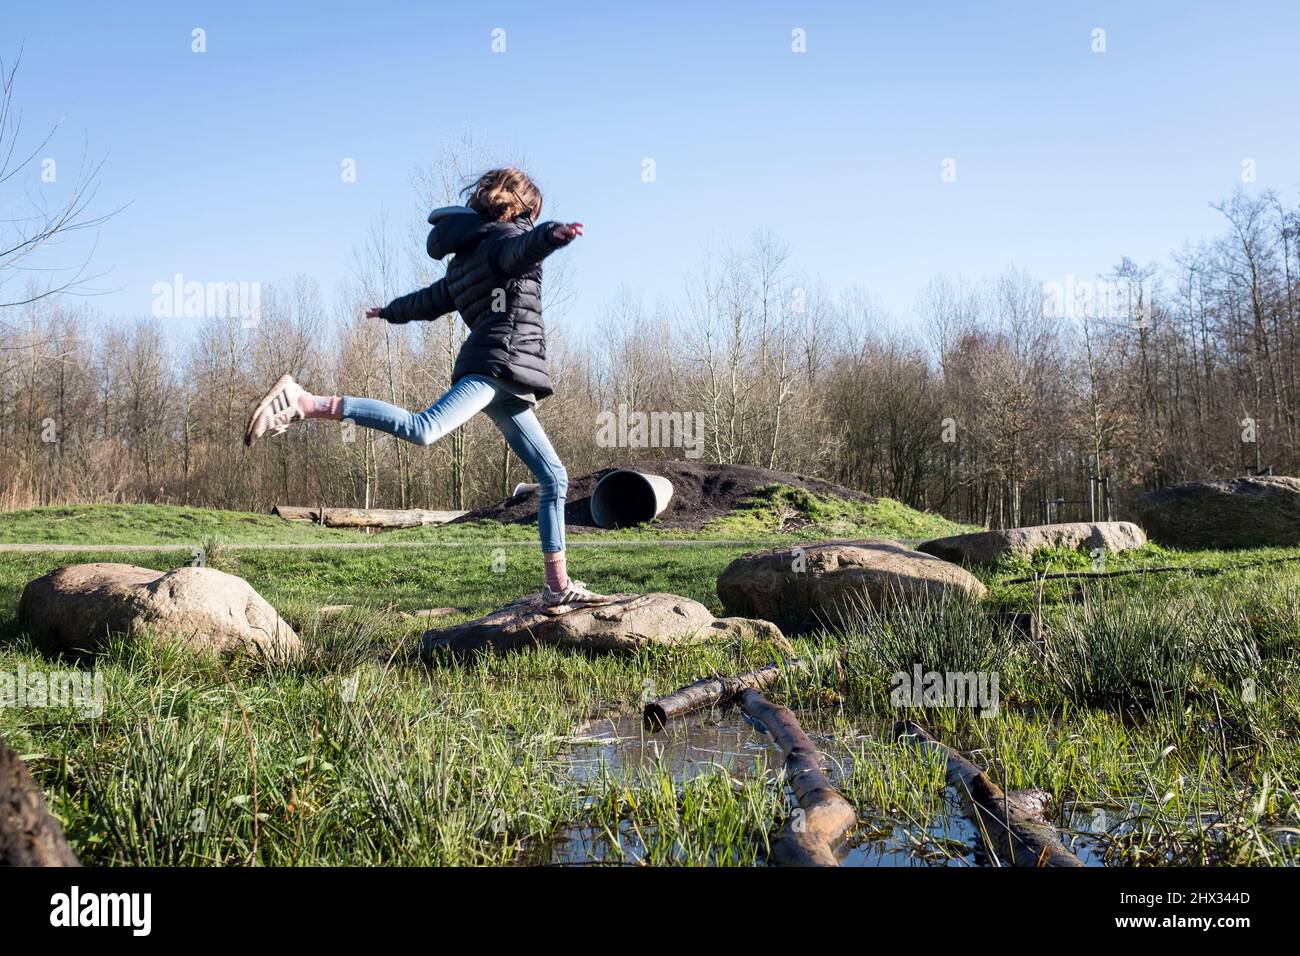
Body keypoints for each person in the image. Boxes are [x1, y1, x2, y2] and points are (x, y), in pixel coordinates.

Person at [244, 166, 601, 606]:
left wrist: (391, 311)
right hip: (496, 367)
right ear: (518, 207)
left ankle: (557, 587)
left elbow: (430, 301)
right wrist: (552, 235)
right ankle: (304, 401)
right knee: (424, 428)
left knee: (553, 477)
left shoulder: (469, 256)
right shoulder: (506, 242)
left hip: (505, 378)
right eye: (532, 211)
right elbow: (522, 251)